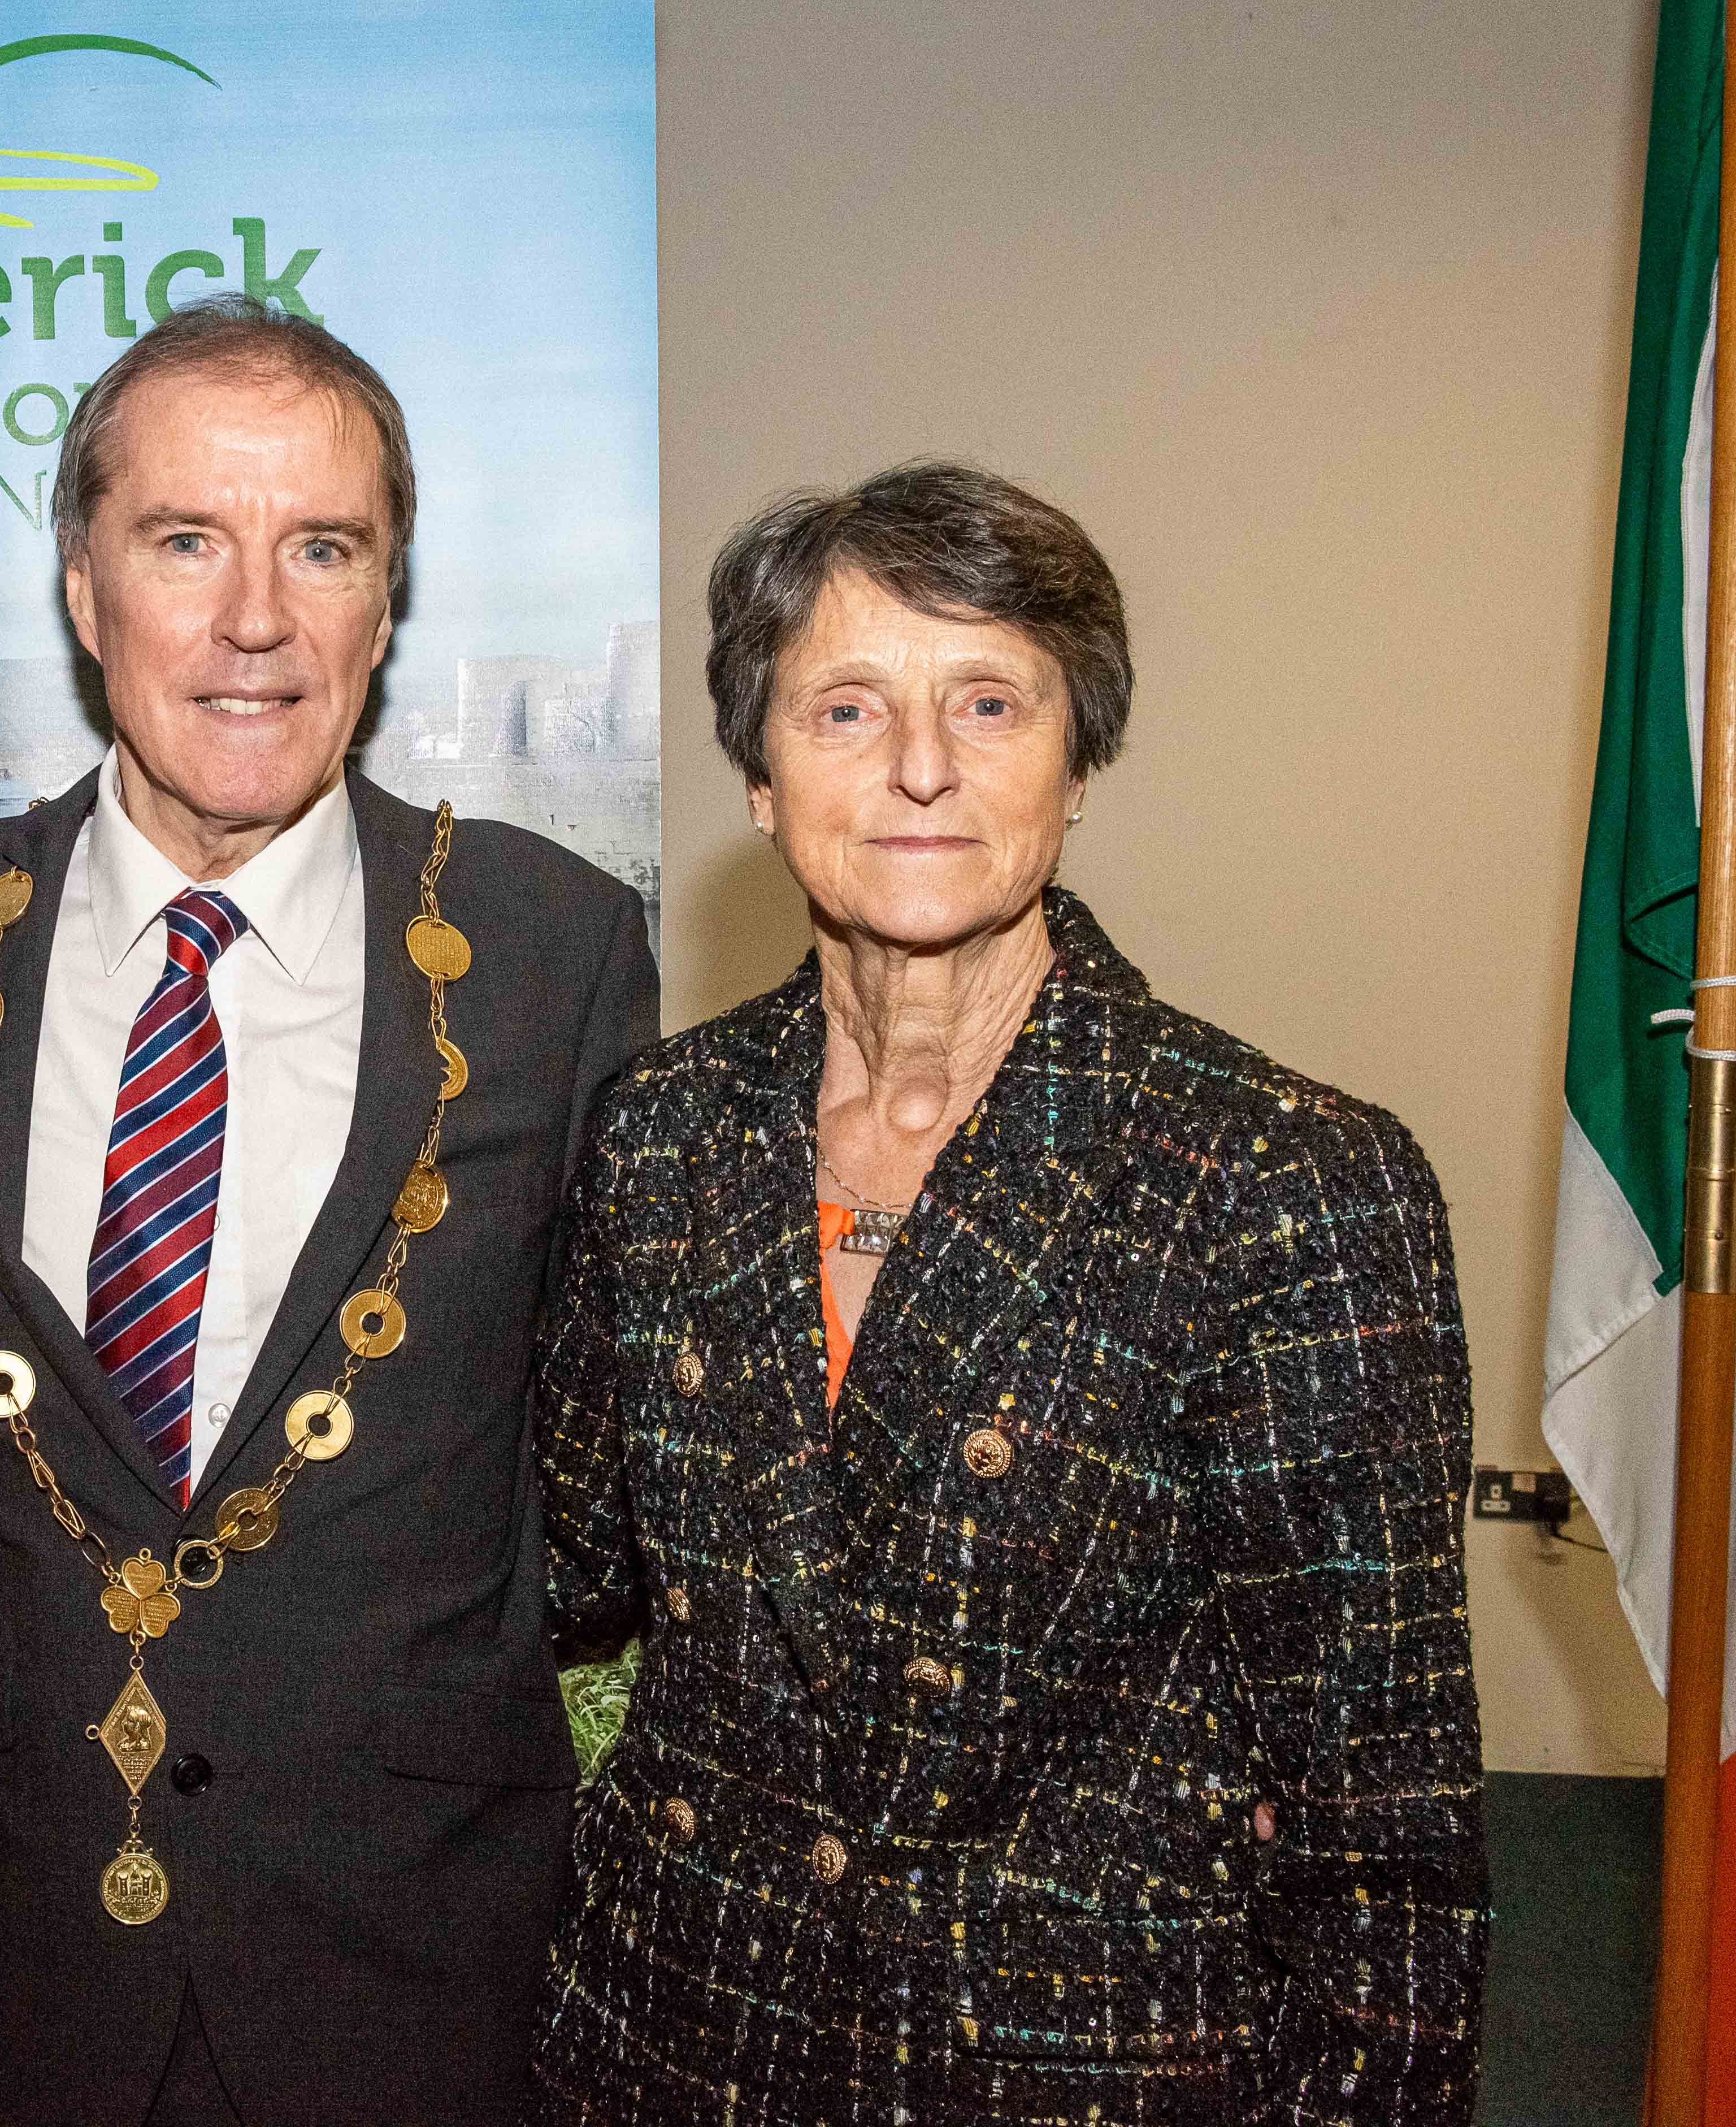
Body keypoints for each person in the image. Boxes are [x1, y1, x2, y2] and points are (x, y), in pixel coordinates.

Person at [531, 462, 1487, 2125]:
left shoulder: (1283, 1182)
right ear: (759, 776)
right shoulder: (660, 1137)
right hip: (671, 2043)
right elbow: (570, 1573)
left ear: (1077, 762)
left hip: (1083, 2072)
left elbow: (1382, 1839)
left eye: (989, 700)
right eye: (844, 707)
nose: (919, 767)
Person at [0, 295, 658, 2124]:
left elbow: (607, 1471)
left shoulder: (550, 954)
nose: (255, 617)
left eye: (321, 548)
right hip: (8, 1971)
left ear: (385, 598)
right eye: (186, 541)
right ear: (83, 588)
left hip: (414, 1979)